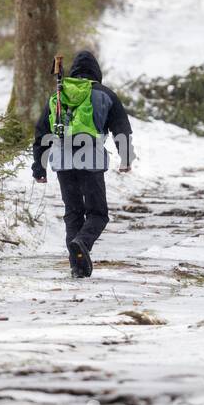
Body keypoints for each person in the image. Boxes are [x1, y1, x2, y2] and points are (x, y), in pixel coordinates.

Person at [31, 51, 133, 277]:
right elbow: (122, 130)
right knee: (98, 213)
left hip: (63, 160)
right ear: (97, 72)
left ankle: (77, 266)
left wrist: (39, 166)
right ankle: (82, 243)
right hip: (91, 159)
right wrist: (126, 158)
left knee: (73, 213)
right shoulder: (105, 95)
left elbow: (41, 133)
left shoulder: (59, 94)